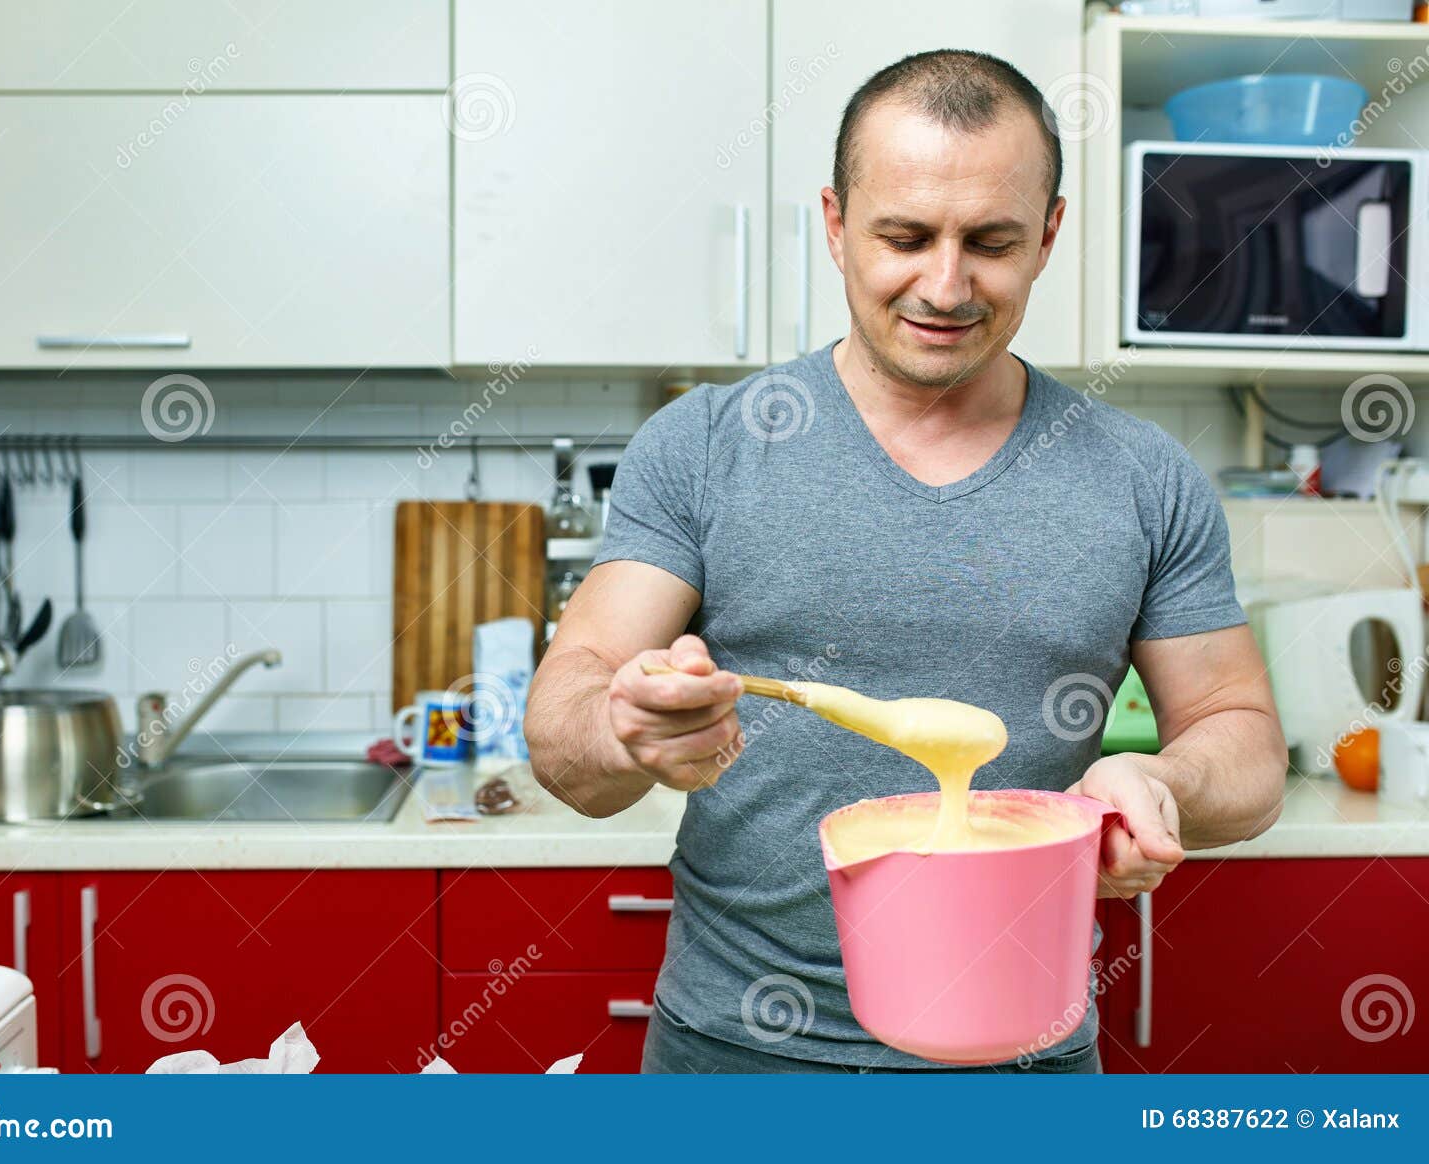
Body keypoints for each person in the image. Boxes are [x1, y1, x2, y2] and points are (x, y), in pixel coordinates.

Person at [524, 49, 1287, 1074]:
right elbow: (564, 732)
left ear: (1049, 235)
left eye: (991, 242)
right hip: (733, 1058)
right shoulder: (703, 445)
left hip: (1021, 1062)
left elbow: (1242, 745)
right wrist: (624, 725)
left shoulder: (1140, 476)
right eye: (904, 236)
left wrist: (1160, 777)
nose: (945, 284)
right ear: (835, 224)